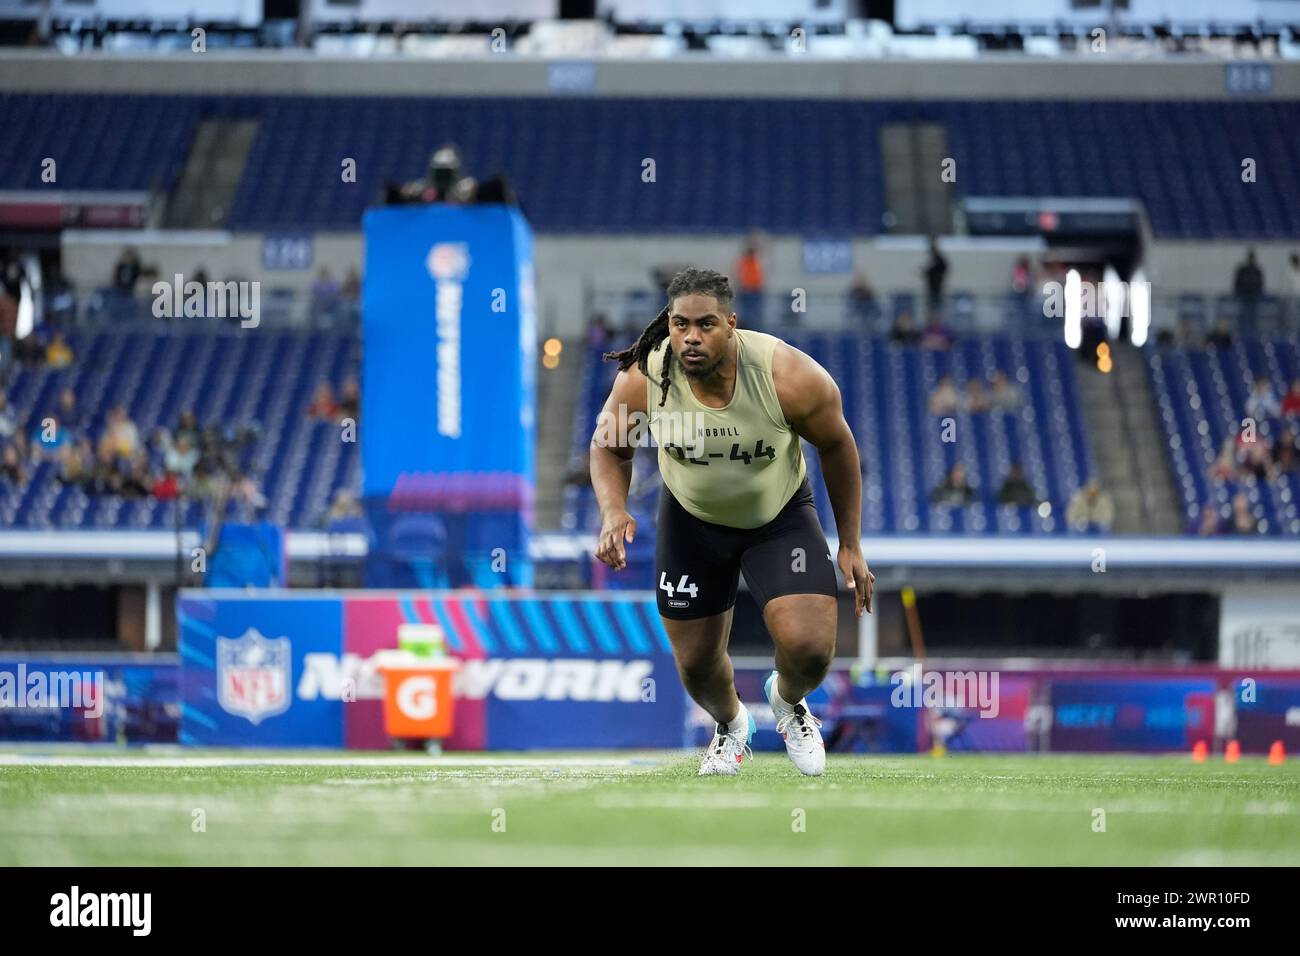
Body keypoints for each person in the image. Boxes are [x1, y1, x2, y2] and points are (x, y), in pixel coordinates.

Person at [591, 268, 872, 778]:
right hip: (692, 522)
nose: (691, 337)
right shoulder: (645, 378)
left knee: (809, 648)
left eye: (706, 324)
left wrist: (850, 541)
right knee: (697, 666)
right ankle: (730, 726)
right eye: (680, 325)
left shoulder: (789, 377)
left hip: (778, 517)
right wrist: (614, 509)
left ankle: (787, 703)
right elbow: (609, 449)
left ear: (732, 324)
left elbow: (837, 445)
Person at [1233, 249, 1264, 333]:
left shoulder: (1257, 270)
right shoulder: (1242, 270)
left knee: (1253, 317)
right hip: (1244, 296)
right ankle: (1243, 333)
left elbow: (1261, 284)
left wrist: (1258, 293)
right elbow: (1237, 282)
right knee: (1244, 316)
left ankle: (1253, 334)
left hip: (1254, 297)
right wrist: (1238, 293)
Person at [922, 236, 948, 312]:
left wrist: (930, 271)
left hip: (936, 287)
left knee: (936, 308)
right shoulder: (935, 259)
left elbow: (943, 267)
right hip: (932, 287)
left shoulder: (939, 259)